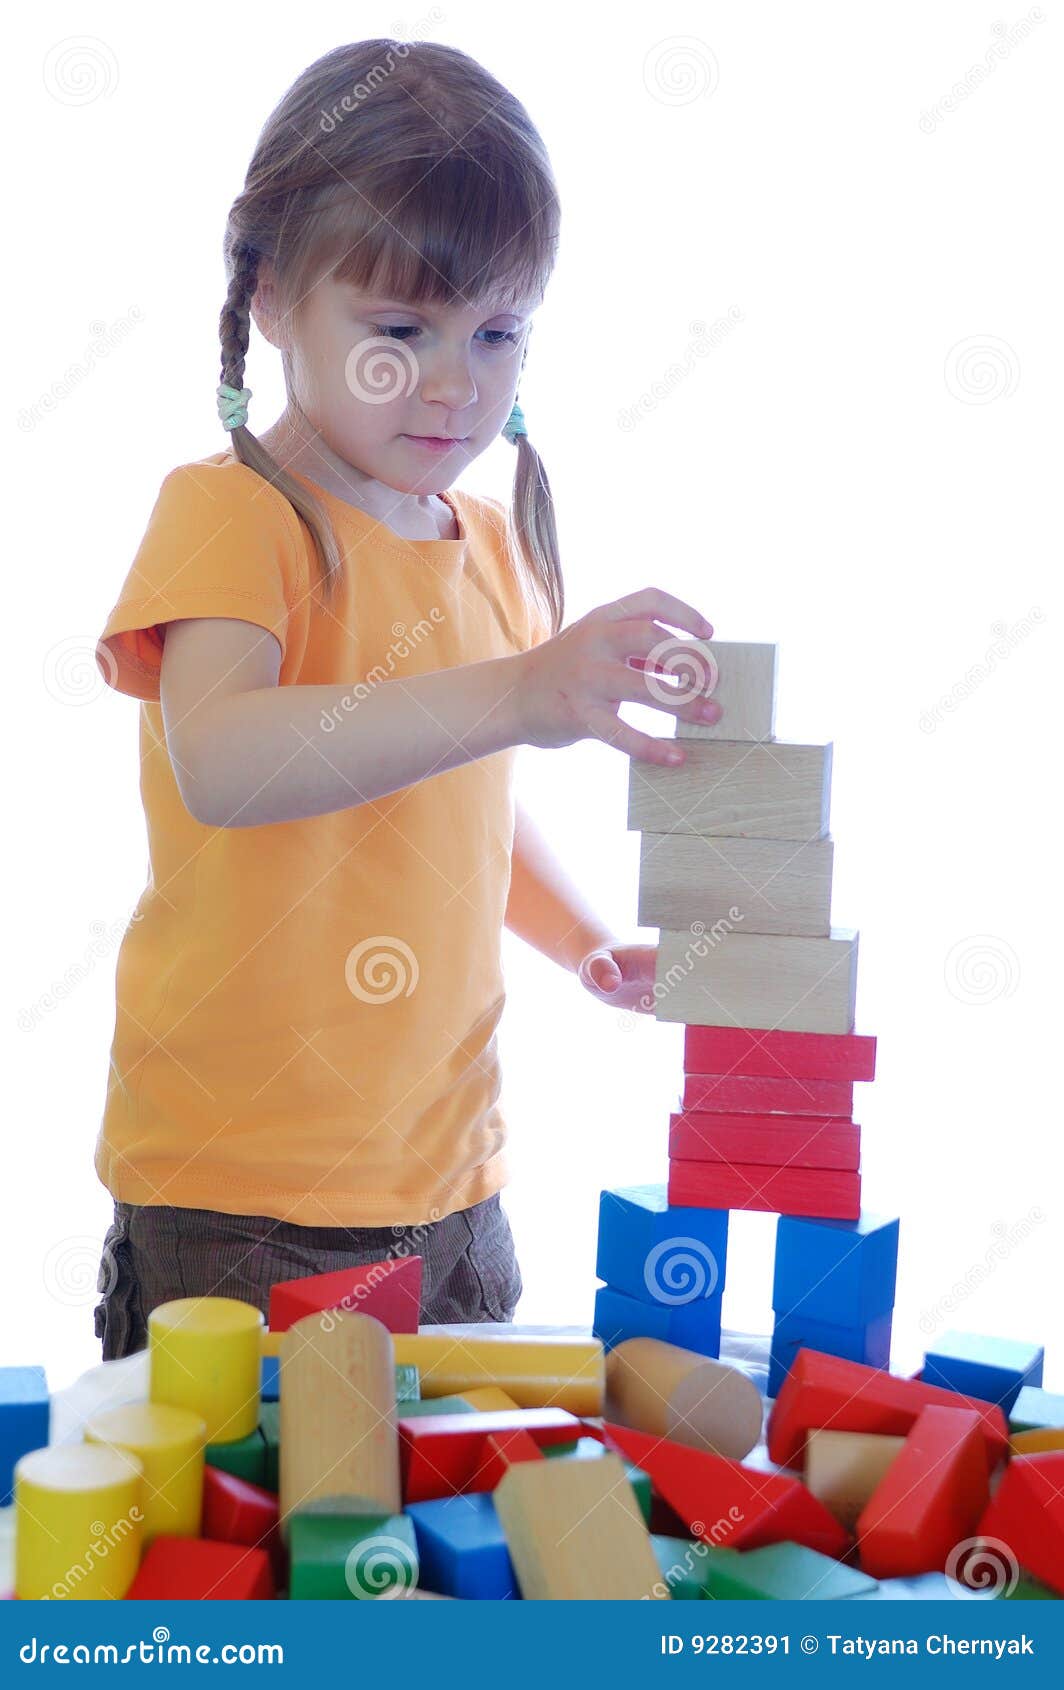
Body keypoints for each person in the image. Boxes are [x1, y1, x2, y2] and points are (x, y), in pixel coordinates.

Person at [91, 38, 721, 1360]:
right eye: (399, 332)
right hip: (242, 1197)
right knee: (263, 1549)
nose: (454, 381)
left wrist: (581, 936)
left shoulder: (484, 545)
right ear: (271, 300)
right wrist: (517, 689)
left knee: (438, 1541)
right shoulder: (234, 516)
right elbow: (224, 757)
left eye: (496, 331)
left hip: (450, 1185)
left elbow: (460, 800)